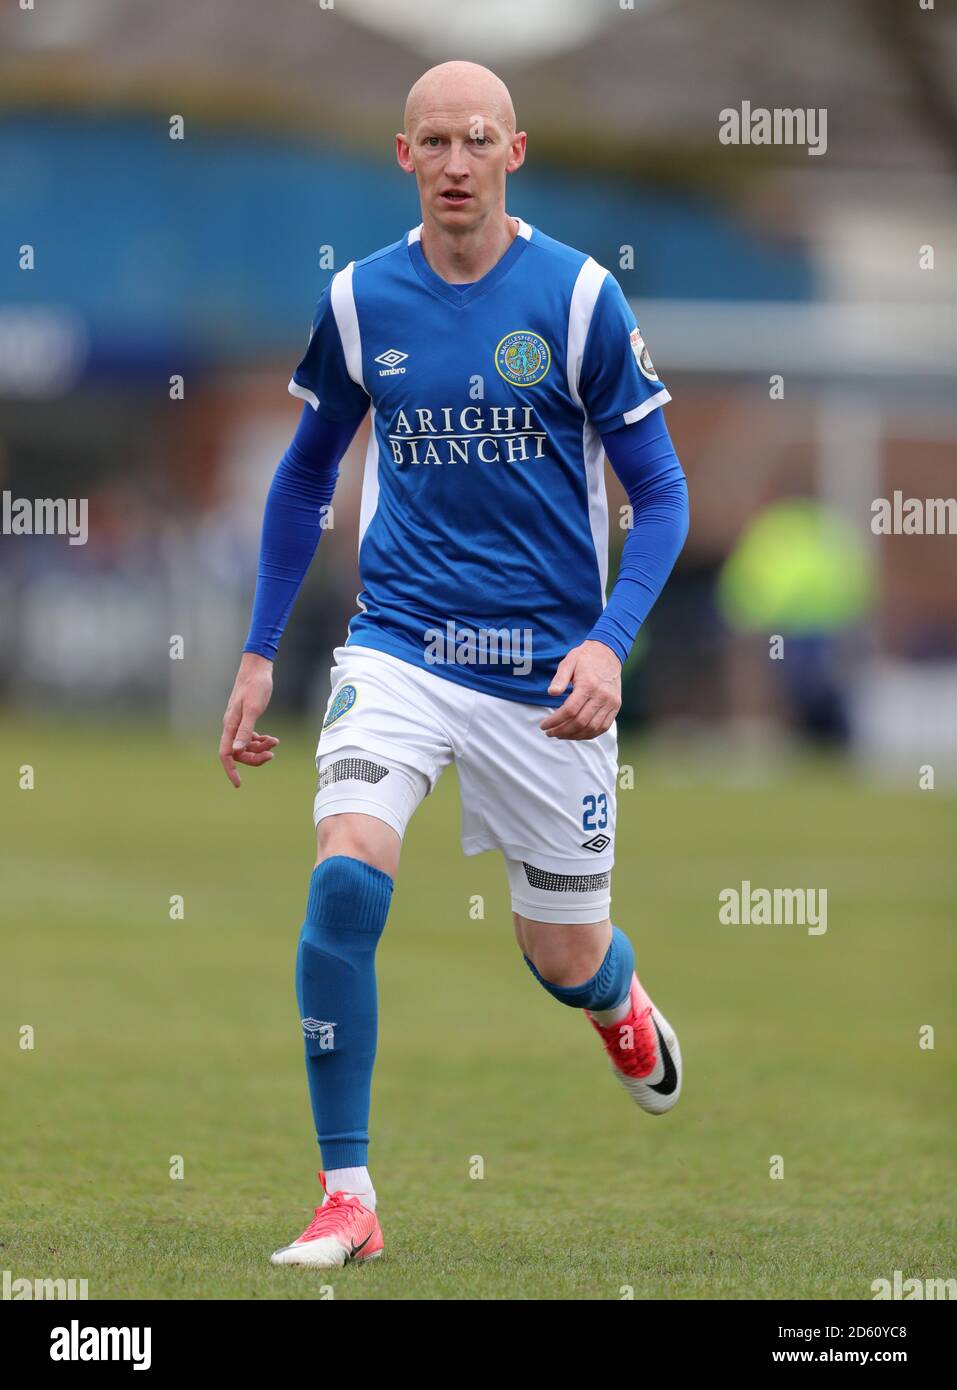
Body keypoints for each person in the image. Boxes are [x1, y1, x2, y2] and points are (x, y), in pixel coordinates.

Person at [219, 60, 690, 1269]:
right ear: (405, 156)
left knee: (562, 954)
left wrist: (608, 641)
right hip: (402, 646)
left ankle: (616, 1003)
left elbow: (664, 495)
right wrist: (261, 651)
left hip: (546, 679)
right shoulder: (363, 301)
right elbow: (306, 473)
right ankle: (349, 1193)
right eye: (434, 141)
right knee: (344, 880)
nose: (456, 162)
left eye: (478, 138)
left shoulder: (582, 300)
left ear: (514, 152)